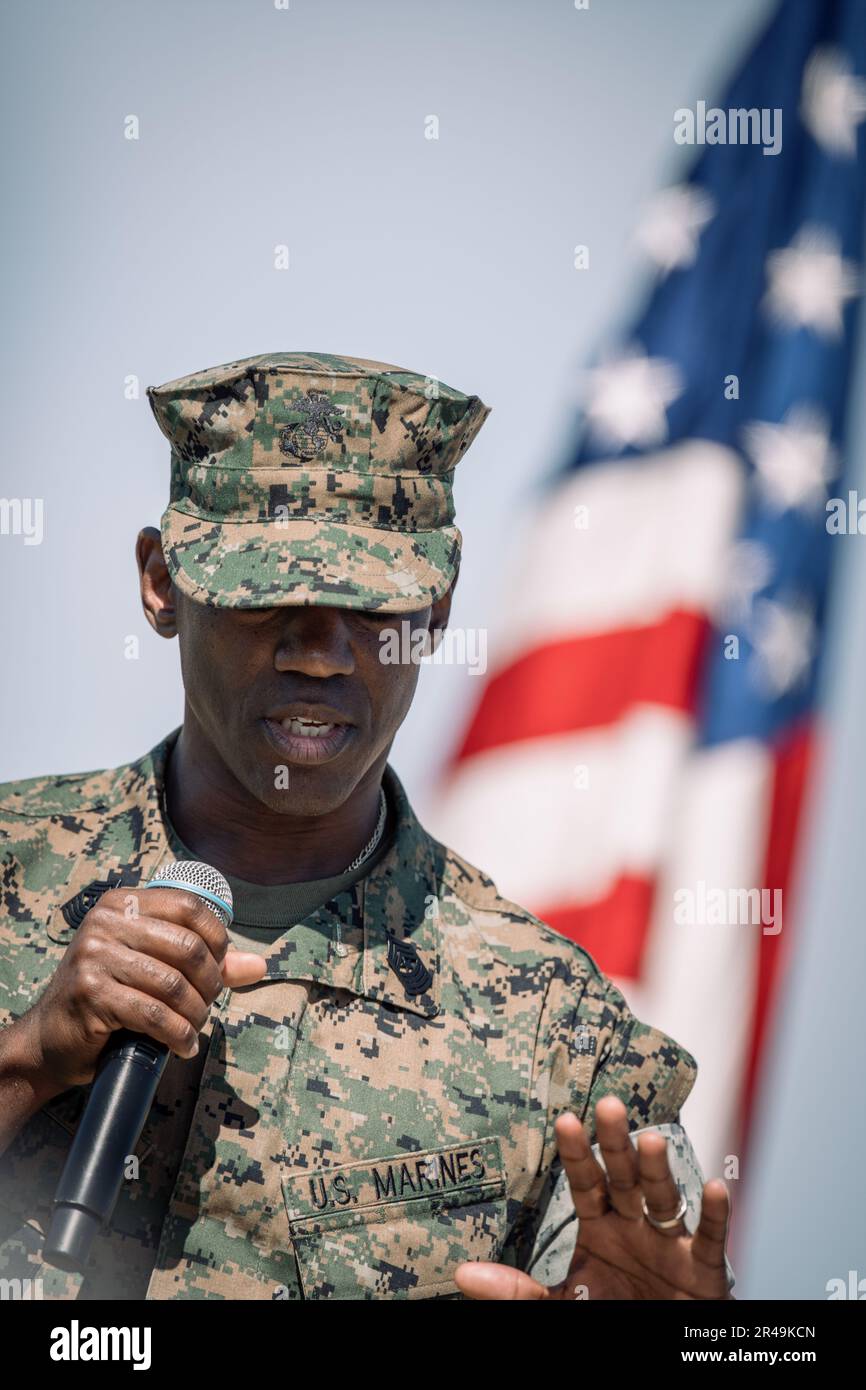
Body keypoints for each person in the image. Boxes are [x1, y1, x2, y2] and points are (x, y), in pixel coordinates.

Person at [0, 351, 734, 1301]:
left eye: (372, 603)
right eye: (269, 592)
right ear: (161, 583)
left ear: (438, 607)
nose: (321, 653)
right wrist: (26, 1059)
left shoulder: (559, 1030)